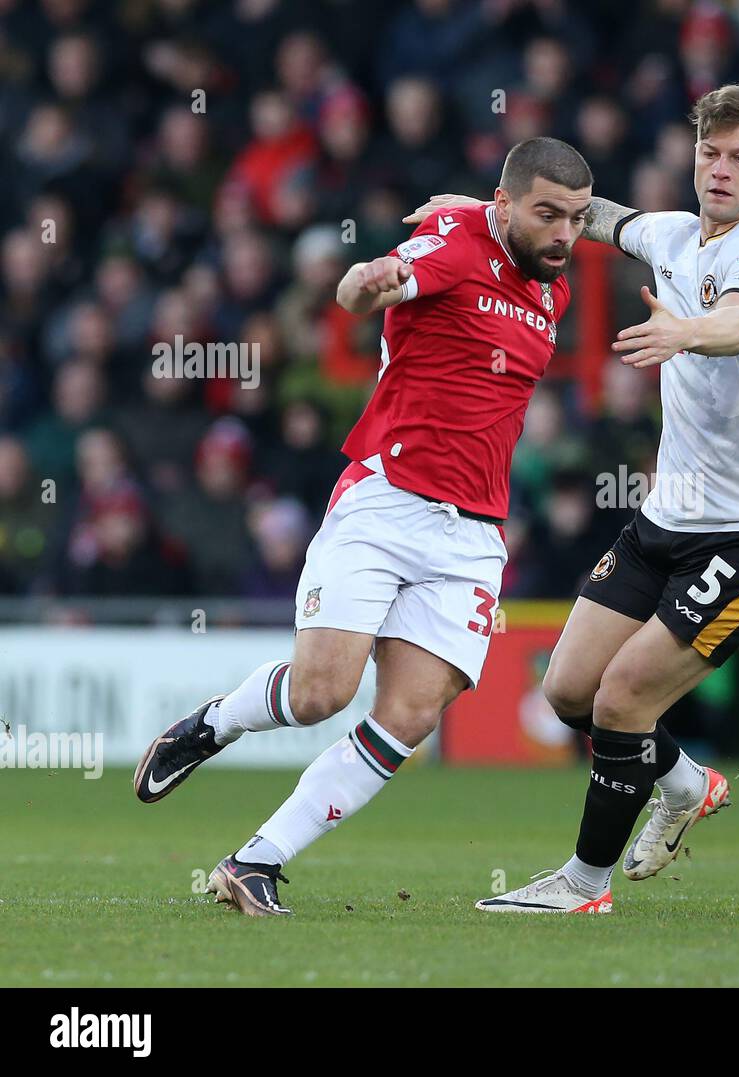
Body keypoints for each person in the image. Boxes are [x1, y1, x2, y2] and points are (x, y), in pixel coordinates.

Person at [133, 137, 593, 917]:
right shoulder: (452, 241)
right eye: (548, 215)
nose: (565, 235)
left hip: (474, 531)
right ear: (505, 203)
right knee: (320, 694)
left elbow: (587, 221)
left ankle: (256, 860)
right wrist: (367, 280)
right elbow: (365, 289)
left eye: (577, 220)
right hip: (387, 498)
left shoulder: (555, 289)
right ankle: (213, 724)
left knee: (409, 716)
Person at [409, 82, 739, 914]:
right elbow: (596, 216)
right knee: (566, 693)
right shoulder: (673, 234)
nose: (722, 169)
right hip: (665, 519)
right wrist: (489, 211)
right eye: (710, 151)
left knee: (623, 699)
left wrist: (684, 331)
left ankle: (583, 884)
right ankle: (684, 782)